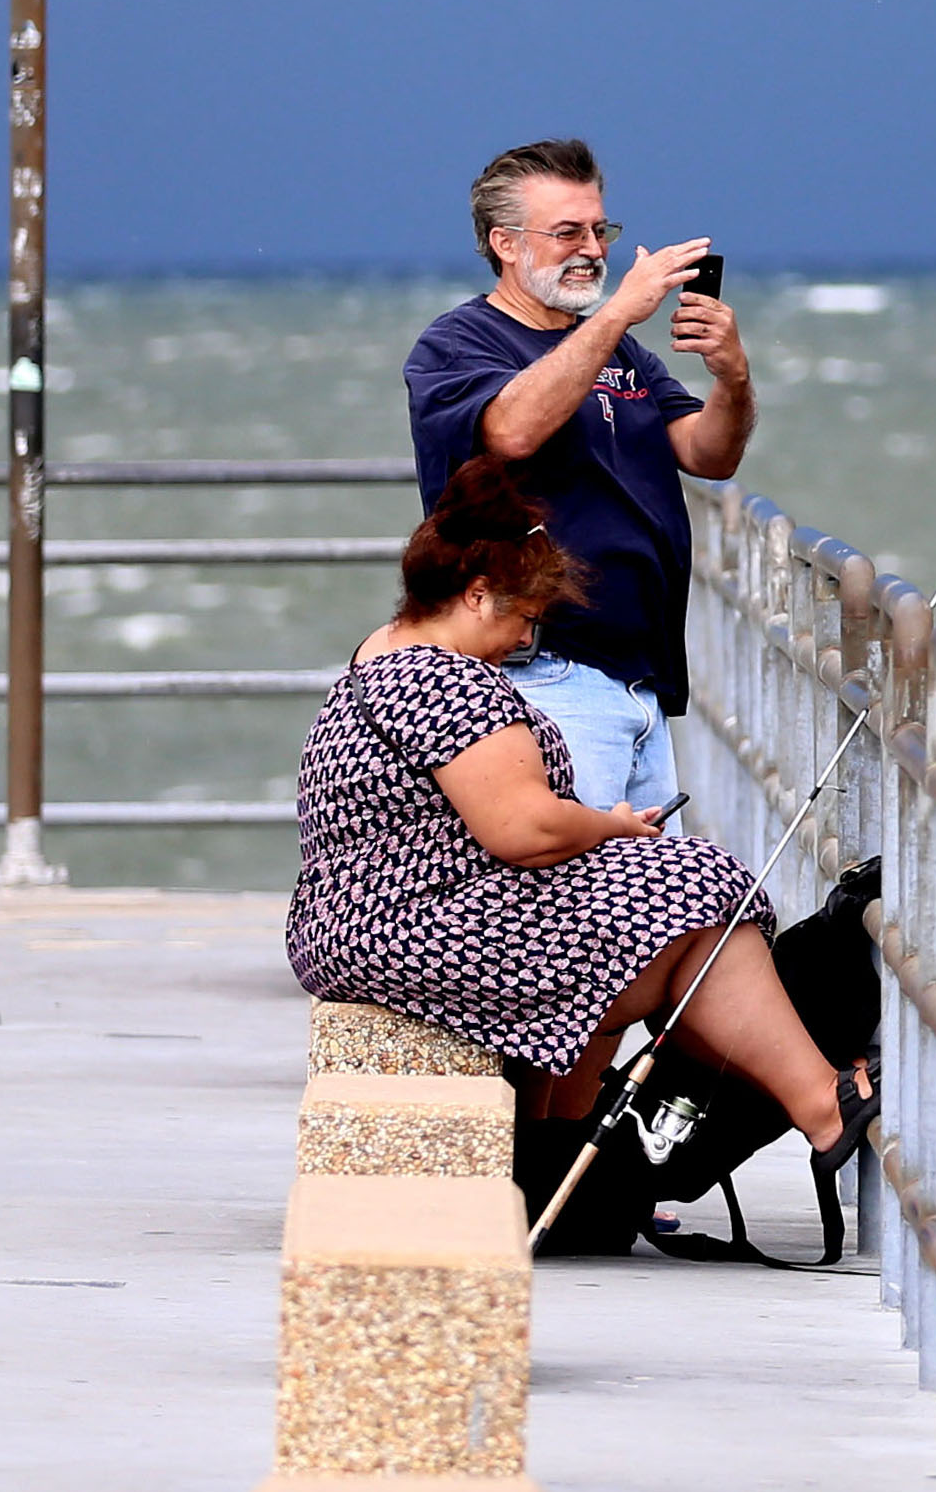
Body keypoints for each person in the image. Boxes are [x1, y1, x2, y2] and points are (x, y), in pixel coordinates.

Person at [288, 457, 864, 1171]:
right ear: (476, 594)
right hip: (411, 930)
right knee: (700, 885)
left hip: (371, 921)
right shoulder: (443, 680)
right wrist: (612, 826)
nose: (522, 644)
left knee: (666, 899)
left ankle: (566, 1147)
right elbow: (523, 830)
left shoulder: (380, 654)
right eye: (525, 621)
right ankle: (821, 1105)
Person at [405, 136, 755, 811]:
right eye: (567, 232)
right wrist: (621, 308)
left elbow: (710, 453)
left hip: (639, 677)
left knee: (648, 905)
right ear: (505, 243)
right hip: (538, 669)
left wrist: (732, 376)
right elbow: (512, 429)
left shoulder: (615, 347)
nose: (593, 248)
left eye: (600, 229)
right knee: (572, 901)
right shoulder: (457, 341)